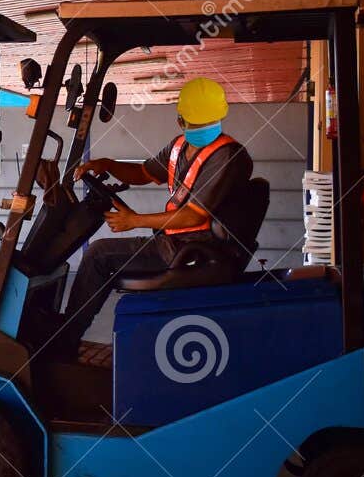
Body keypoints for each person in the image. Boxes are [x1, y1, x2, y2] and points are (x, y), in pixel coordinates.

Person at [55, 77, 252, 354]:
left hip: (193, 249)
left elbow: (193, 217)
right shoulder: (179, 147)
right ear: (181, 121)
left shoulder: (226, 156)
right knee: (102, 257)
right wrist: (108, 164)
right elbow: (143, 173)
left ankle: (63, 344)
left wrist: (135, 220)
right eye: (195, 124)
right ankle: (69, 335)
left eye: (206, 124)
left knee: (98, 255)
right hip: (176, 243)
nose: (199, 129)